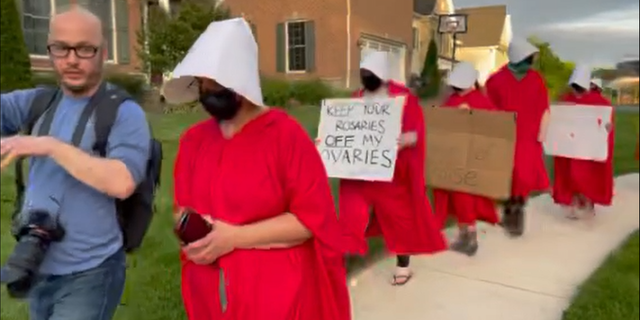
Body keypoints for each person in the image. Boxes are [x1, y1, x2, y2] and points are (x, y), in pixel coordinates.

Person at [164, 18, 351, 320]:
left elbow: (310, 221)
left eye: (215, 84)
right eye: (200, 83)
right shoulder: (193, 141)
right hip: (210, 295)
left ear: (240, 82)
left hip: (277, 298)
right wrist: (193, 231)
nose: (206, 90)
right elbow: (181, 209)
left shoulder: (285, 136)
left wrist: (234, 237)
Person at [0, 7, 150, 320]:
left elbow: (122, 181)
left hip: (90, 271)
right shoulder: (39, 102)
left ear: (103, 52)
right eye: (61, 48)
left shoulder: (123, 113)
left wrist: (49, 146)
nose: (71, 59)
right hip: (37, 263)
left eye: (84, 49)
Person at [335, 51, 446, 286]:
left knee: (399, 219)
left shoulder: (404, 98)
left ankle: (403, 265)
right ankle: (340, 263)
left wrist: (406, 139)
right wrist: (329, 142)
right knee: (350, 216)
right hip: (359, 174)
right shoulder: (356, 98)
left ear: (383, 75)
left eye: (370, 74)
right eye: (363, 74)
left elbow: (417, 133)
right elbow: (344, 131)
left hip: (391, 174)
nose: (366, 77)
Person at [433, 62, 500, 256]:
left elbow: (493, 125)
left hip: (470, 158)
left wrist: (471, 114)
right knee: (455, 196)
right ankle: (464, 235)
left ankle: (470, 236)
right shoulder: (451, 99)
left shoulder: (480, 100)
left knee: (465, 197)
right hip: (451, 156)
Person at [485, 39, 550, 237]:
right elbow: (488, 109)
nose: (531, 63)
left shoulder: (536, 79)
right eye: (528, 59)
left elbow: (544, 106)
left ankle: (518, 208)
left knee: (524, 174)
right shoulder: (495, 80)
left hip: (529, 135)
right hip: (506, 135)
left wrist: (543, 131)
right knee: (509, 174)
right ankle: (511, 208)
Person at [553, 66, 614, 218]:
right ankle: (574, 202)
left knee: (585, 175)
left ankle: (587, 203)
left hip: (588, 148)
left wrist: (606, 128)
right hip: (570, 146)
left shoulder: (600, 102)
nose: (576, 91)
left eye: (579, 88)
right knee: (570, 174)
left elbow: (606, 125)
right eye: (574, 87)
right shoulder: (566, 100)